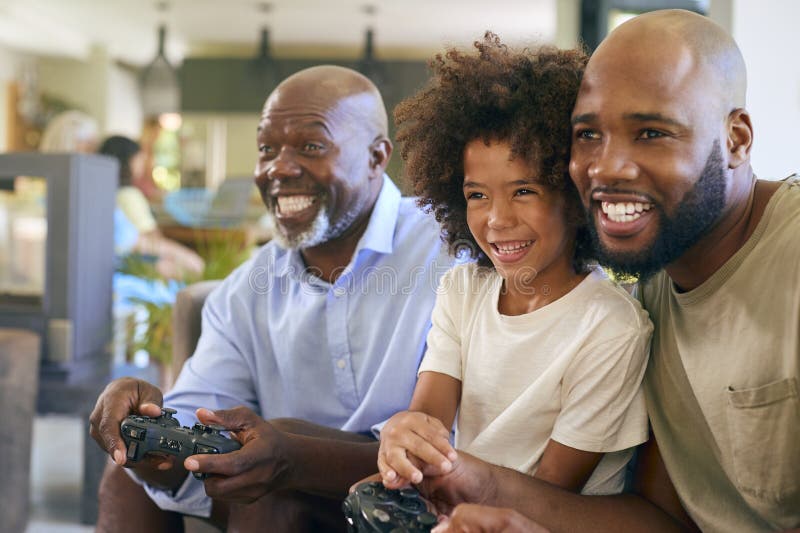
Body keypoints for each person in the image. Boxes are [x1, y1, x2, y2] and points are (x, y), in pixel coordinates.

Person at [413, 10, 800, 533]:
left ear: (736, 138)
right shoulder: (654, 282)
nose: (606, 167)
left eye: (652, 132)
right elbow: (663, 517)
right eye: (588, 135)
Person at [90, 65, 451, 532]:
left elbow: (465, 440)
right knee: (124, 477)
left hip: (423, 496)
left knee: (279, 483)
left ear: (376, 157)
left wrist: (295, 456)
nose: (278, 167)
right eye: (266, 149)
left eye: (311, 146)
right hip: (286, 501)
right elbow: (192, 420)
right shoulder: (246, 290)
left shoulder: (450, 248)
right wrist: (143, 434)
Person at [375, 33, 651, 502]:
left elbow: (549, 497)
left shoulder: (611, 328)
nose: (497, 219)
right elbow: (429, 423)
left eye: (524, 191)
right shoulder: (463, 290)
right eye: (477, 195)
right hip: (464, 504)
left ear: (574, 194)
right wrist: (405, 435)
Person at [98, 135, 205, 281]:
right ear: (129, 160)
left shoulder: (103, 195)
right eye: (140, 158)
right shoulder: (129, 195)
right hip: (139, 263)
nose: (143, 163)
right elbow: (152, 239)